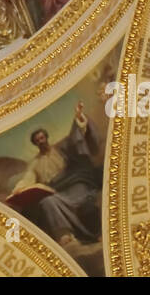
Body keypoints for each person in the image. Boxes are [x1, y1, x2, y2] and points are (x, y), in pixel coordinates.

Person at [9, 102, 104, 250]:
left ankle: (93, 232)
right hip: (57, 191)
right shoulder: (35, 163)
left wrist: (78, 119)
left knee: (85, 202)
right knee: (47, 202)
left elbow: (75, 138)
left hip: (74, 183)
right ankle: (64, 234)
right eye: (37, 140)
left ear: (46, 138)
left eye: (42, 138)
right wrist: (18, 189)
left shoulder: (61, 148)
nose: (41, 141)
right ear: (35, 143)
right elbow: (28, 178)